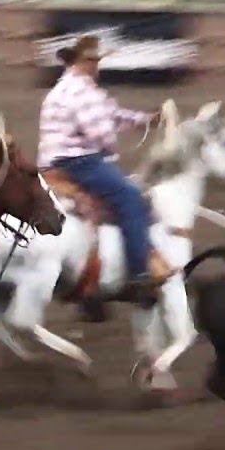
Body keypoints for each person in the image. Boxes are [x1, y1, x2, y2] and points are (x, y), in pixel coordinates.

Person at [38, 35, 162, 303]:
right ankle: (139, 276)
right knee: (131, 199)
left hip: (58, 161)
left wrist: (146, 120)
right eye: (95, 61)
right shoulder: (82, 91)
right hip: (79, 163)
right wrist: (111, 147)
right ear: (85, 62)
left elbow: (114, 114)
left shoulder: (68, 88)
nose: (98, 66)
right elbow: (100, 131)